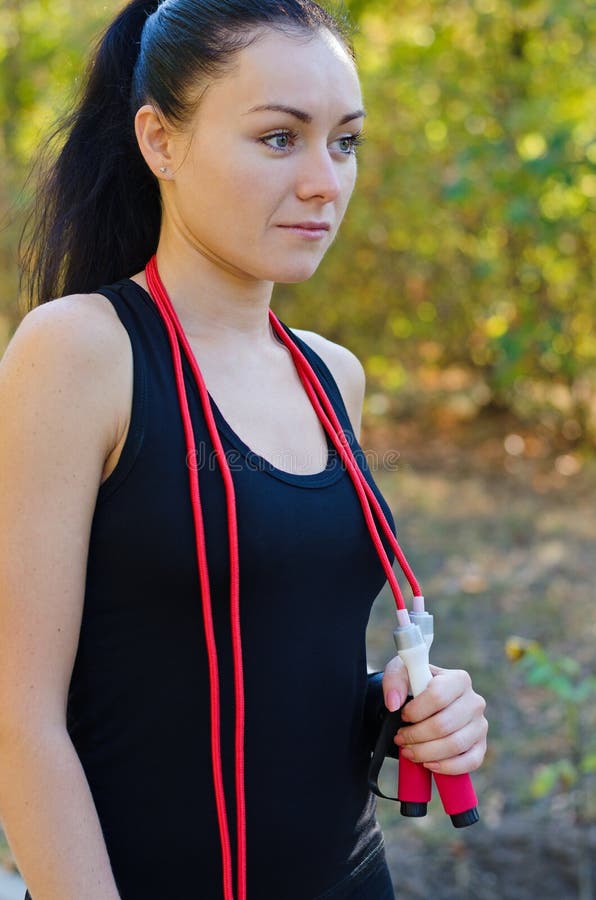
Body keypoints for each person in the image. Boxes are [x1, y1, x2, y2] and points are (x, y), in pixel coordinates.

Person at [0, 1, 488, 898]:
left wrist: (407, 707)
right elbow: (19, 717)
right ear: (161, 142)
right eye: (278, 139)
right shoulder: (79, 353)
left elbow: (265, 655)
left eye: (345, 142)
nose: (323, 182)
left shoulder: (332, 376)